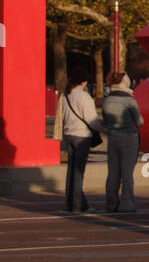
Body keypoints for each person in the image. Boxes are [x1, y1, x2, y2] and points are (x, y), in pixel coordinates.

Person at [59, 69, 101, 213]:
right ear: (84, 82)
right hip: (82, 136)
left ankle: (71, 203)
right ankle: (77, 205)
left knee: (71, 171)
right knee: (78, 172)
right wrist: (102, 128)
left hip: (68, 134)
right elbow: (92, 120)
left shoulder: (66, 95)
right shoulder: (84, 97)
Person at [101, 71, 143, 213]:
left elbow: (105, 122)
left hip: (113, 138)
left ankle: (111, 203)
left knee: (113, 172)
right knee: (127, 173)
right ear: (125, 82)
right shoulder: (129, 100)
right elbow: (139, 121)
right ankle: (127, 203)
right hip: (129, 137)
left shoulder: (107, 100)